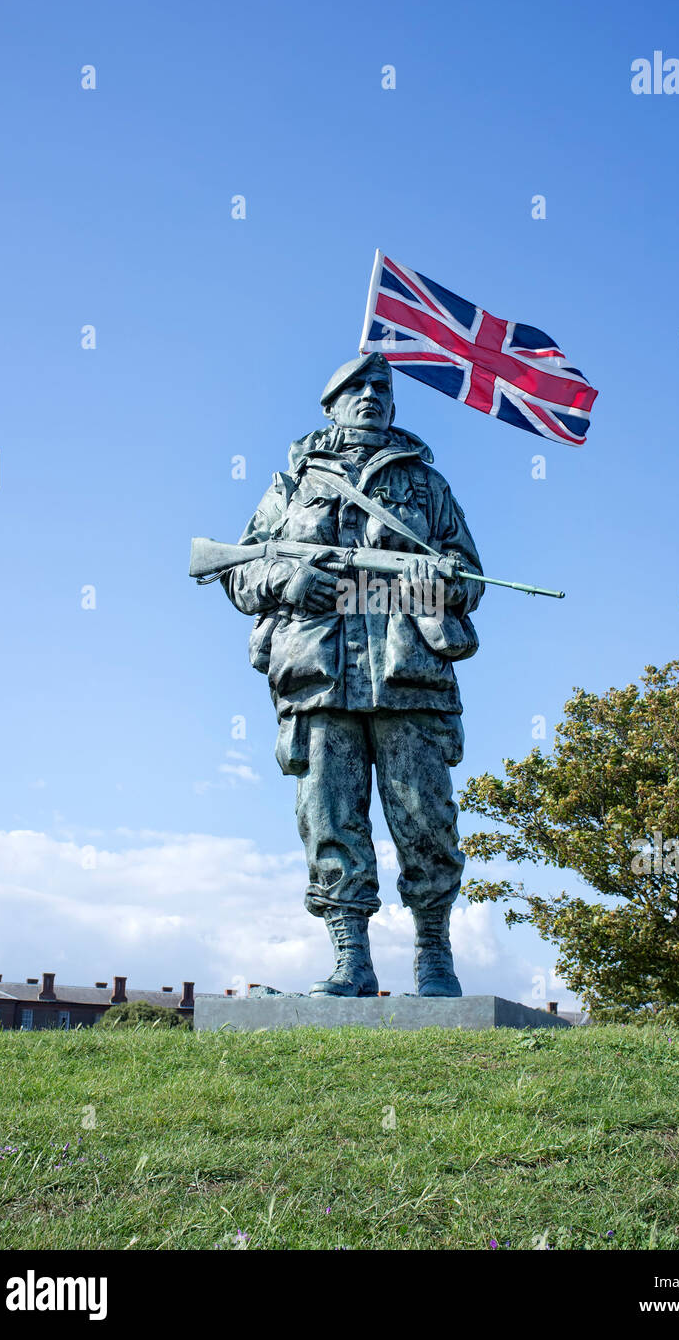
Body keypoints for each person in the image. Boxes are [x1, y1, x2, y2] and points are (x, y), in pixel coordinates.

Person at [223, 353, 483, 996]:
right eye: (356, 386)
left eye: (382, 387)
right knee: (329, 816)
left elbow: (471, 577)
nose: (370, 395)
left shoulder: (427, 486)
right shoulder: (290, 485)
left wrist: (442, 581)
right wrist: (291, 577)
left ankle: (433, 955)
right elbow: (238, 571)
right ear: (330, 404)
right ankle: (350, 959)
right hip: (319, 674)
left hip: (410, 674)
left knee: (426, 818)